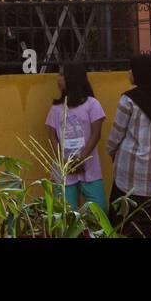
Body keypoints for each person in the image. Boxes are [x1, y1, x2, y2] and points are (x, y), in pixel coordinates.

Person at [105, 53, 151, 238]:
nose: (129, 72)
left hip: (127, 176)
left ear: (142, 73)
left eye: (132, 68)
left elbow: (116, 134)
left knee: (122, 223)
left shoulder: (128, 100)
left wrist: (111, 151)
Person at [44, 62, 107, 215]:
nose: (57, 79)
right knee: (66, 215)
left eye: (61, 75)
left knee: (99, 212)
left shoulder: (92, 104)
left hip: (89, 169)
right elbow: (52, 137)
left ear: (72, 78)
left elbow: (96, 134)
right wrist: (64, 163)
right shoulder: (56, 109)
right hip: (64, 171)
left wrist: (80, 159)